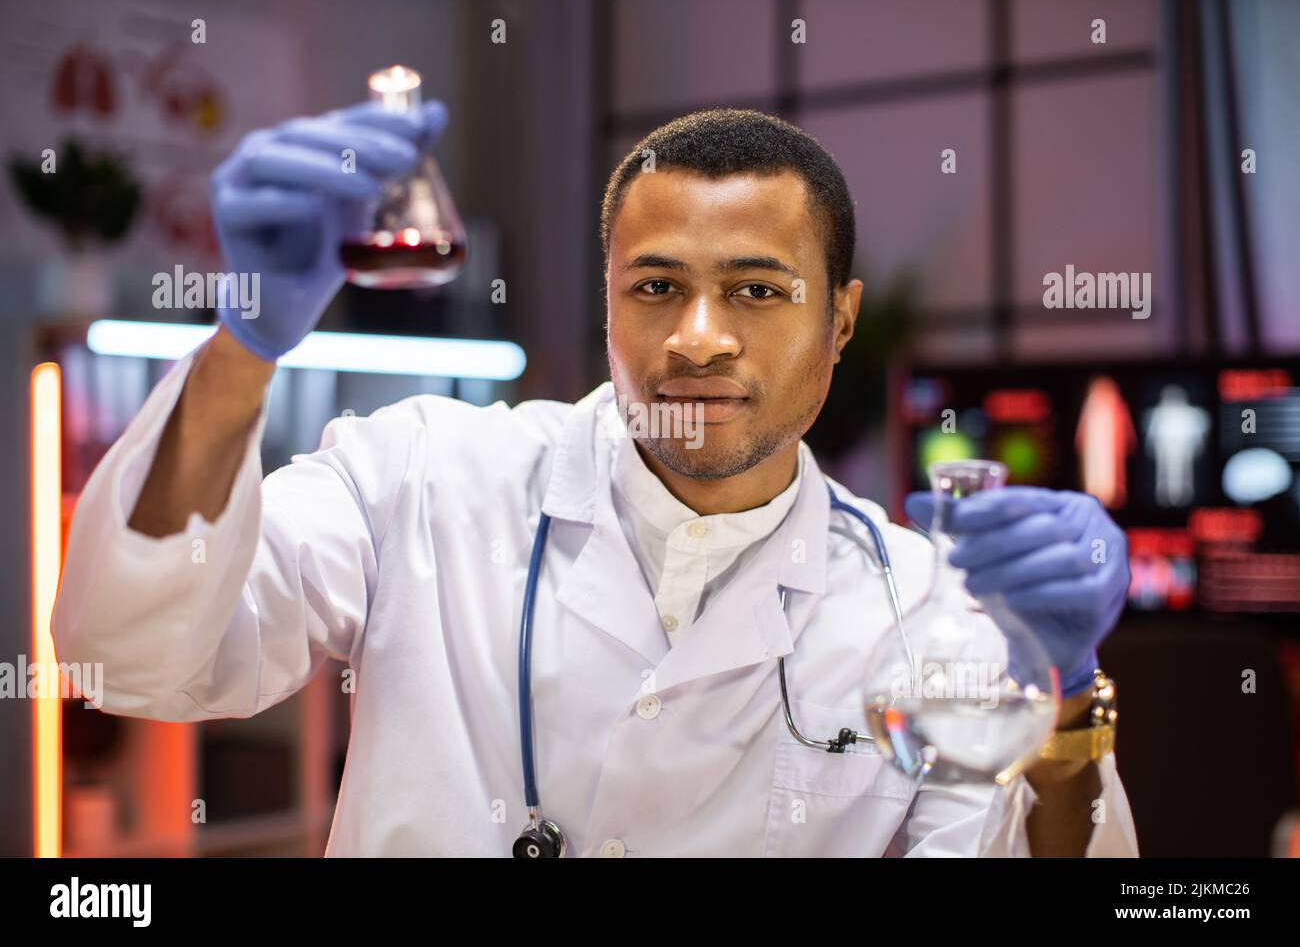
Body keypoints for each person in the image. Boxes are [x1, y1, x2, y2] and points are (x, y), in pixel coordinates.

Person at [53, 99, 1138, 857]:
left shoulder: (925, 604)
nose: (699, 338)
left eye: (757, 291)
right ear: (607, 299)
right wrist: (245, 341)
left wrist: (1066, 685)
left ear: (839, 318)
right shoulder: (422, 471)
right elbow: (130, 660)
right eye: (656, 284)